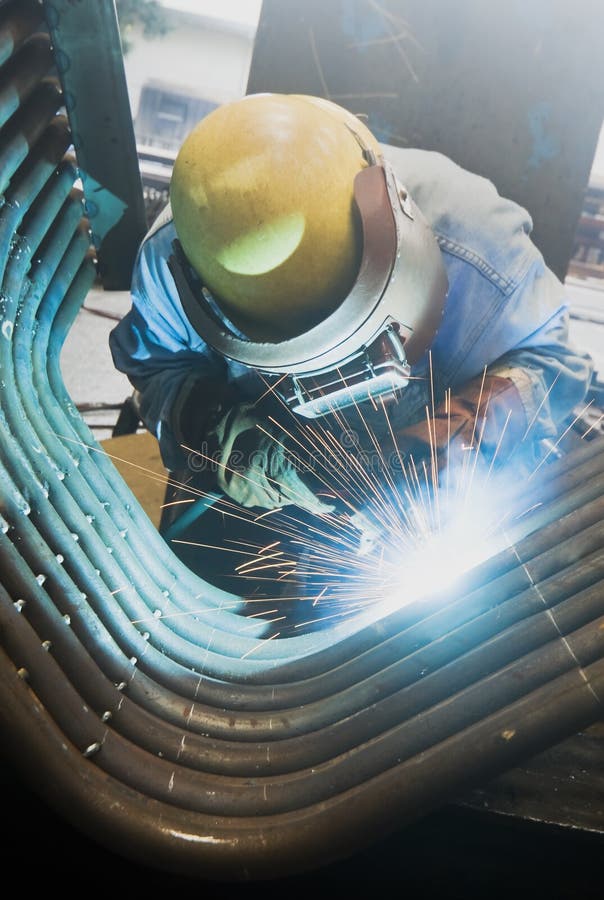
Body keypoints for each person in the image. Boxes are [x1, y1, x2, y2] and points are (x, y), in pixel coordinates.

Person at [109, 93, 592, 596]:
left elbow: (557, 367)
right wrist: (261, 456)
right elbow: (157, 376)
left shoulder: (481, 250)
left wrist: (465, 428)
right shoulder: (178, 265)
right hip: (274, 501)